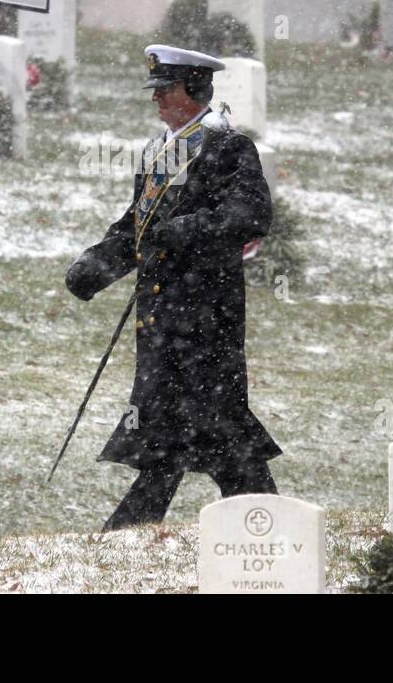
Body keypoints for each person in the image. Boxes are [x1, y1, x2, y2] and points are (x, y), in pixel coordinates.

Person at [65, 44, 281, 530]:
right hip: (163, 318)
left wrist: (186, 229)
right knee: (178, 427)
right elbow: (136, 228)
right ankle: (260, 516)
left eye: (165, 89)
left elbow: (250, 215)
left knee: (213, 423)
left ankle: (259, 521)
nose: (157, 98)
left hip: (206, 315)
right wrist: (96, 266)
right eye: (156, 89)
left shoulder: (227, 146)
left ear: (195, 89)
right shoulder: (158, 150)